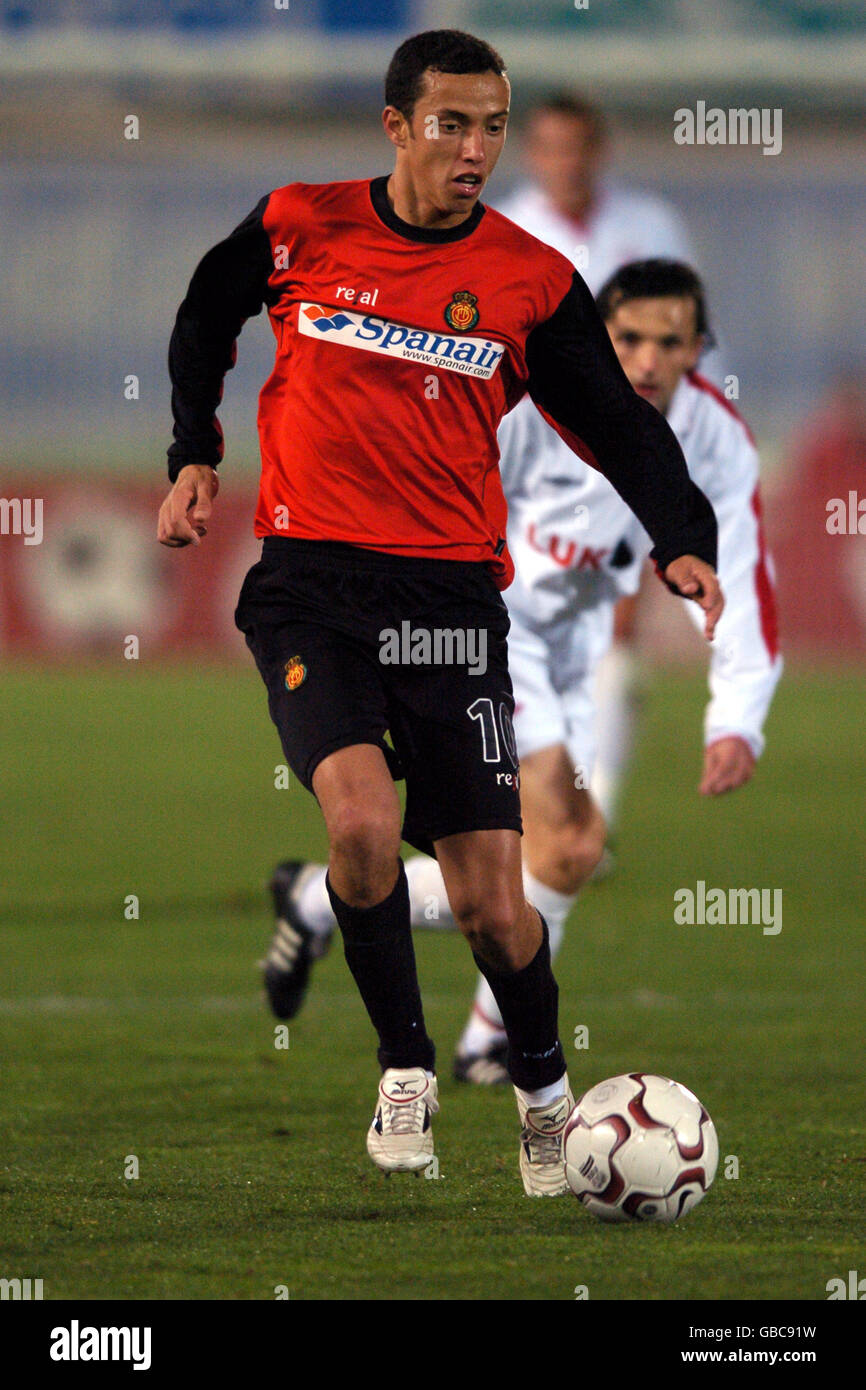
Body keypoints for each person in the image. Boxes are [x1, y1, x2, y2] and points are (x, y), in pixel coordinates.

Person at [159, 30, 722, 1195]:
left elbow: (615, 423)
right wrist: (194, 452)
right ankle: (403, 1067)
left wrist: (681, 538)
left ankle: (543, 1091)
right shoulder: (298, 224)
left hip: (451, 600)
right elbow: (204, 314)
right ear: (395, 125)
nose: (474, 149)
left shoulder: (528, 280)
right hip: (310, 585)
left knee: (489, 904)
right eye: (451, 124)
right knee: (359, 827)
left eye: (491, 127)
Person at [265, 259, 779, 1087]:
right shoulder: (523, 398)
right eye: (628, 339)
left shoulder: (716, 438)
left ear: (697, 349)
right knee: (570, 841)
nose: (646, 361)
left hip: (571, 651)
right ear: (597, 338)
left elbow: (741, 578)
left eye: (668, 343)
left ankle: (320, 900)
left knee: (536, 861)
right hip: (483, 632)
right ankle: (486, 1044)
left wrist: (736, 717)